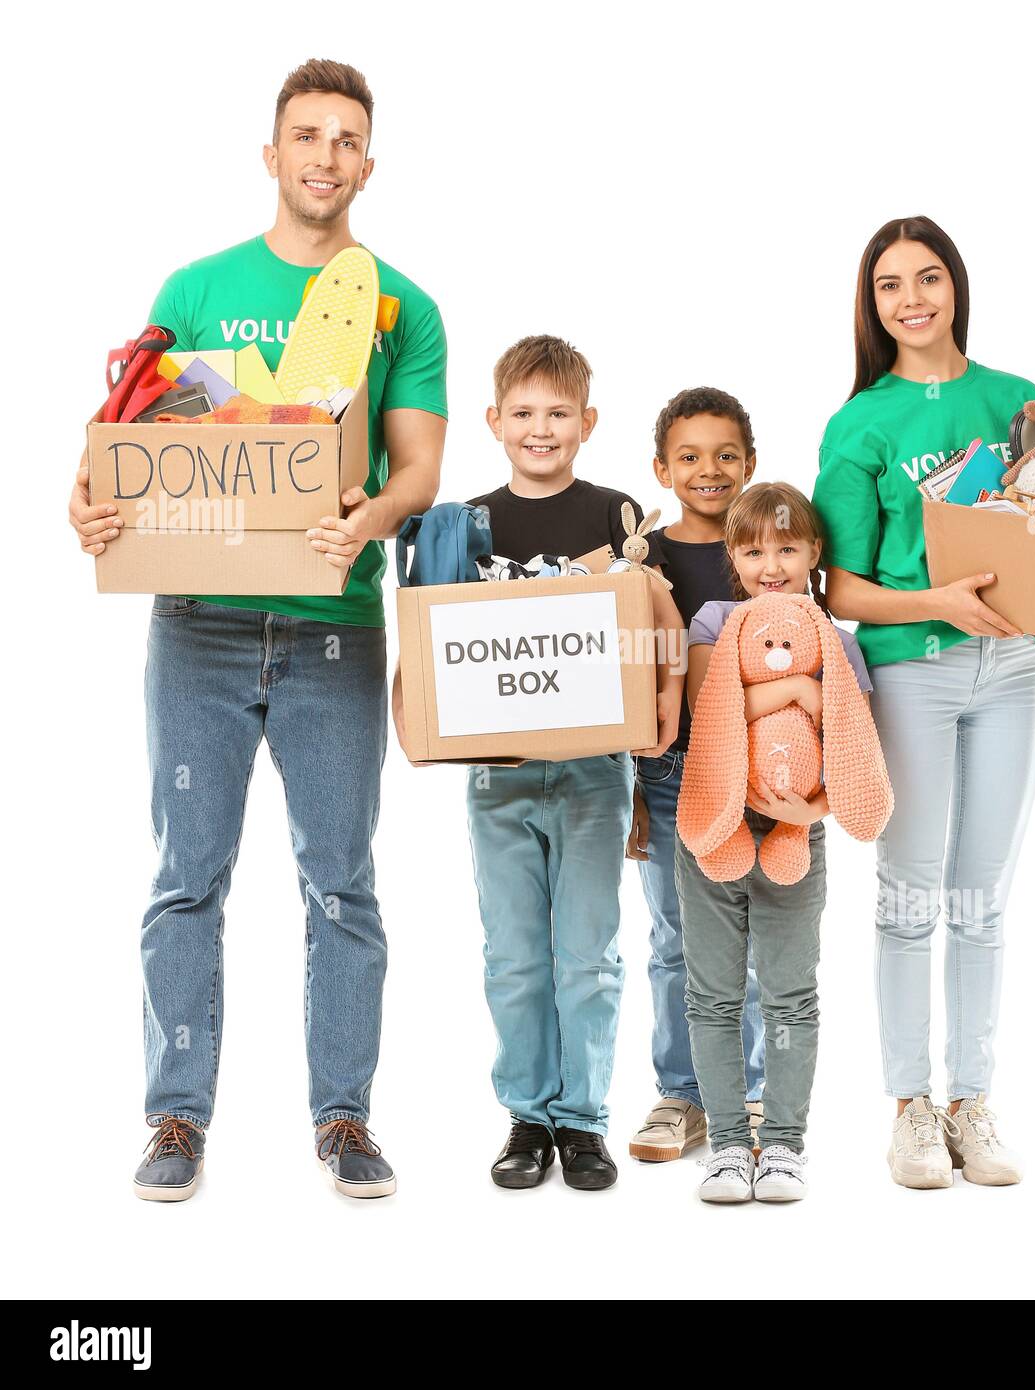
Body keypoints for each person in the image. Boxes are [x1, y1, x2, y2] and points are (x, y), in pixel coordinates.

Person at [67, 59, 448, 1201]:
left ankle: (344, 1119)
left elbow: (419, 464)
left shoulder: (401, 304)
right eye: (306, 135)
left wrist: (368, 515)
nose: (325, 156)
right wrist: (85, 504)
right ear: (271, 154)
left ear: (366, 165)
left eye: (346, 140)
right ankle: (175, 1119)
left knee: (341, 881)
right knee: (189, 876)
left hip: (334, 625)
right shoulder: (192, 287)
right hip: (200, 626)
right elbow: (123, 436)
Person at [812, 215, 1035, 1189]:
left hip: (1014, 669)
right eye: (889, 285)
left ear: (955, 286)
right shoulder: (861, 425)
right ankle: (909, 1109)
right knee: (909, 891)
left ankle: (972, 1100)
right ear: (871, 304)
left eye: (927, 277)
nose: (911, 298)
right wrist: (933, 603)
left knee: (980, 897)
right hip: (913, 674)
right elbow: (836, 588)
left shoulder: (1015, 401)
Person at [467, 335, 683, 1192]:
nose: (540, 428)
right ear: (494, 421)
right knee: (516, 954)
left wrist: (664, 704)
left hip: (596, 767)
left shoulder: (617, 516)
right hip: (501, 771)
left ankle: (583, 1119)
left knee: (587, 952)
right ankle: (528, 1114)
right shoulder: (469, 522)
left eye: (558, 413)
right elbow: (434, 631)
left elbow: (656, 622)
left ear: (588, 422)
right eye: (523, 413)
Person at [678, 483, 874, 1203]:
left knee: (791, 993)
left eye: (788, 548)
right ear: (733, 555)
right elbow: (709, 707)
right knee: (713, 995)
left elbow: (854, 743)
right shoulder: (715, 620)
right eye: (754, 548)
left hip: (795, 829)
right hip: (715, 821)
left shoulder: (837, 641)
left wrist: (816, 805)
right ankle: (729, 1143)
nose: (771, 563)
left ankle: (785, 1144)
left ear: (813, 552)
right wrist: (799, 692)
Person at [626, 387, 767, 1163]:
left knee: (747, 936)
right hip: (668, 771)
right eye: (689, 457)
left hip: (757, 763)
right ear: (661, 468)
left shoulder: (773, 551)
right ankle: (682, 1094)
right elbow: (619, 685)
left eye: (725, 456)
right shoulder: (644, 562)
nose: (708, 471)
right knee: (676, 937)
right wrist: (629, 792)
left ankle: (743, 1093)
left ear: (751, 462)